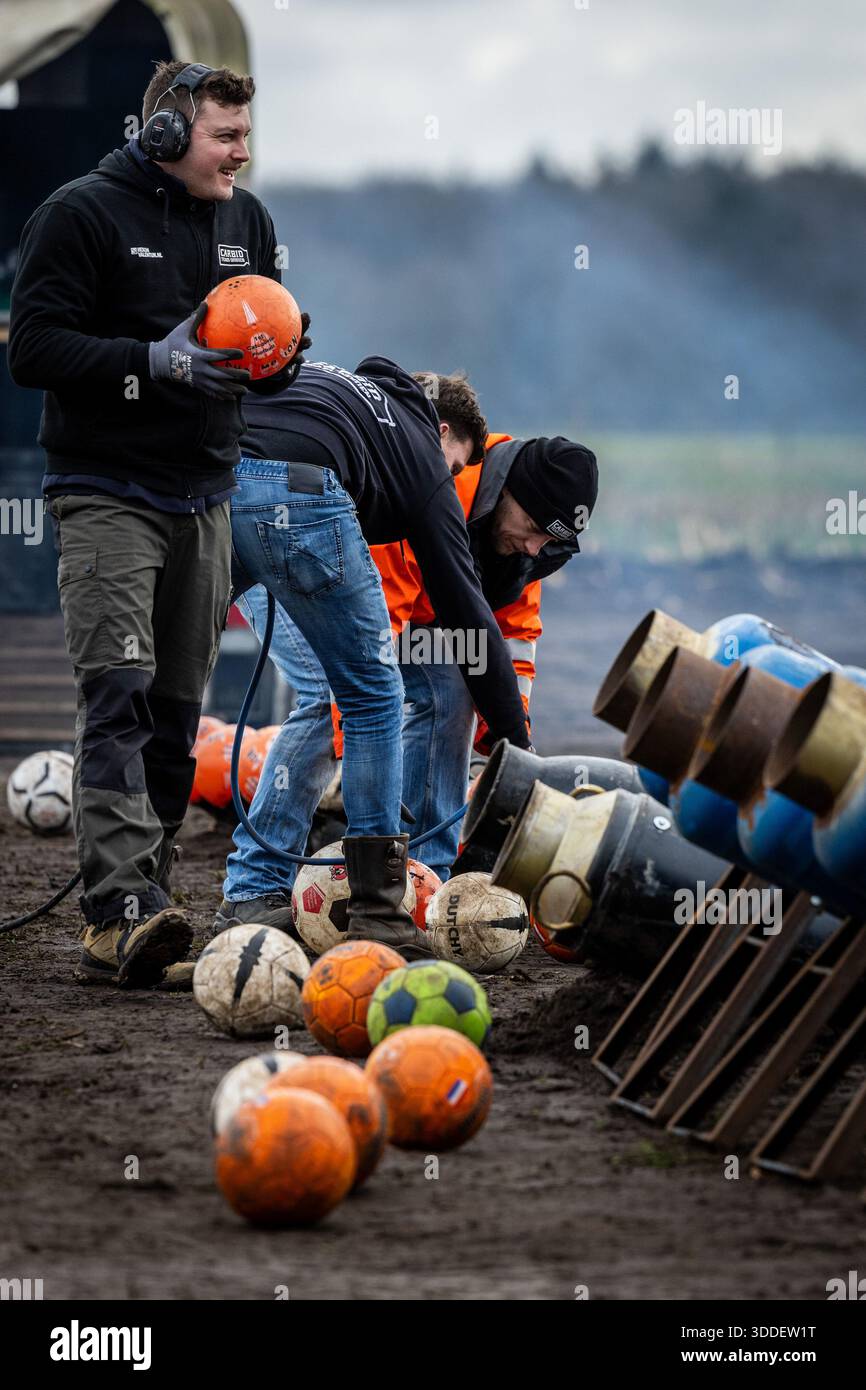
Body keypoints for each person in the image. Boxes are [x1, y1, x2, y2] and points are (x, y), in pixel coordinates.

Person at [8, 60, 309, 988]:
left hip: (206, 495)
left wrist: (283, 353)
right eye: (226, 137)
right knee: (120, 691)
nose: (242, 153)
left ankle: (155, 900)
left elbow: (269, 343)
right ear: (167, 135)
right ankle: (116, 913)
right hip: (106, 489)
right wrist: (153, 361)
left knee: (180, 716)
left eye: (246, 136)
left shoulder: (245, 220)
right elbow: (34, 347)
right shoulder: (81, 213)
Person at [215, 361, 531, 956]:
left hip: (215, 485)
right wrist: (519, 748)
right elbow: (463, 616)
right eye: (456, 464)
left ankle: (130, 907)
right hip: (300, 501)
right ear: (439, 432)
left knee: (164, 678)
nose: (452, 478)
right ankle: (371, 909)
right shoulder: (416, 457)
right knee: (363, 696)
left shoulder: (339, 397)